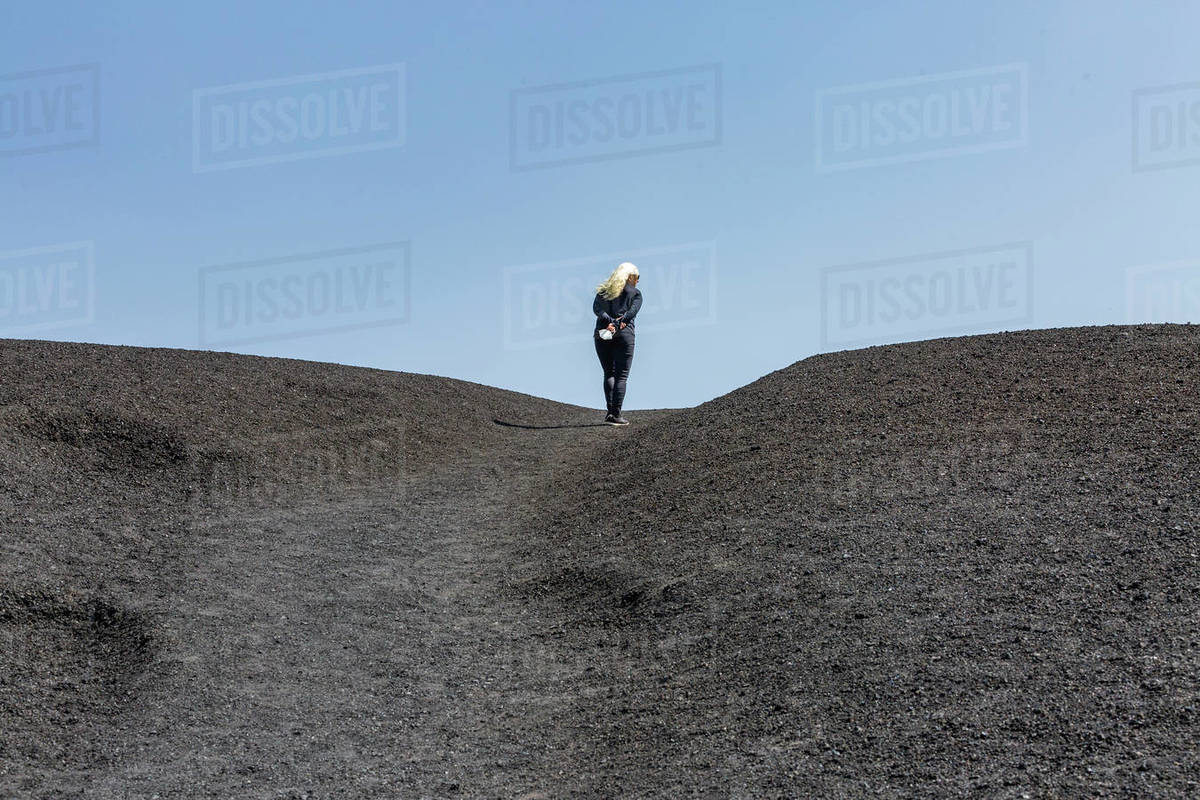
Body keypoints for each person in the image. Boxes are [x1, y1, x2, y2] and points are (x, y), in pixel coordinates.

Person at [592, 262, 642, 425]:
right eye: (637, 277)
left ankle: (609, 413)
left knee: (609, 373)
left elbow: (596, 309)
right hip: (624, 334)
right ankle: (616, 414)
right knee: (621, 376)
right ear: (630, 276)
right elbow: (632, 312)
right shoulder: (635, 293)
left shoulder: (602, 292)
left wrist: (609, 321)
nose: (638, 281)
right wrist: (620, 321)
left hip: (603, 333)